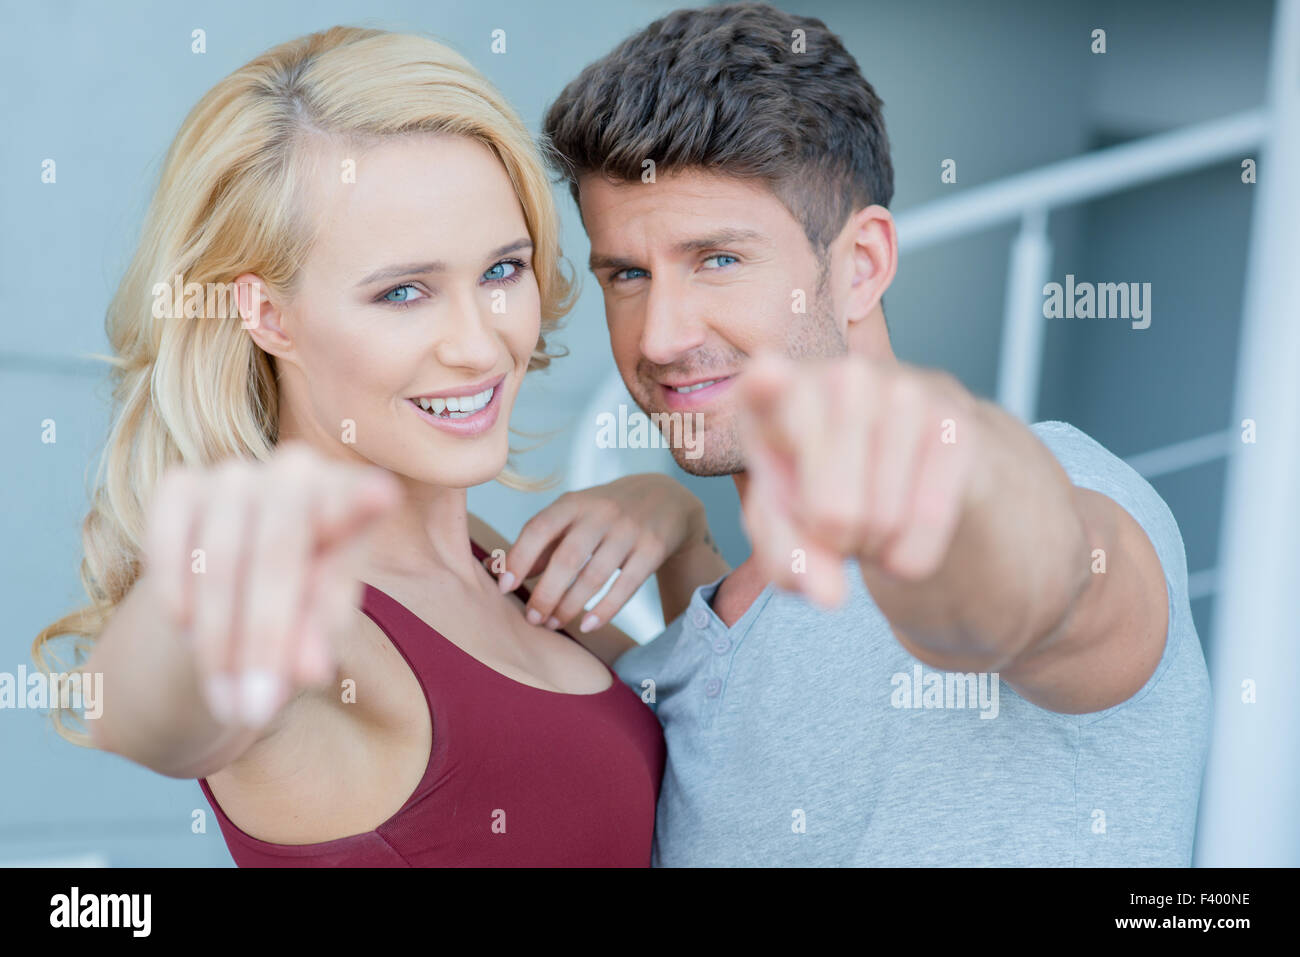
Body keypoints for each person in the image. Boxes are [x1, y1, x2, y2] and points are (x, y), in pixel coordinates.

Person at [533, 2, 1213, 866]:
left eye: (719, 259)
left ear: (860, 267)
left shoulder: (1063, 482)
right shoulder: (692, 646)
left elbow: (1044, 577)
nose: (660, 334)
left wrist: (956, 514)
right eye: (628, 273)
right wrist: (677, 530)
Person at [32, 25, 728, 867]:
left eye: (502, 270)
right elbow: (158, 715)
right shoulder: (314, 617)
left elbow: (730, 760)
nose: (478, 344)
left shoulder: (483, 561)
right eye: (404, 291)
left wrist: (679, 526)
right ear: (267, 315)